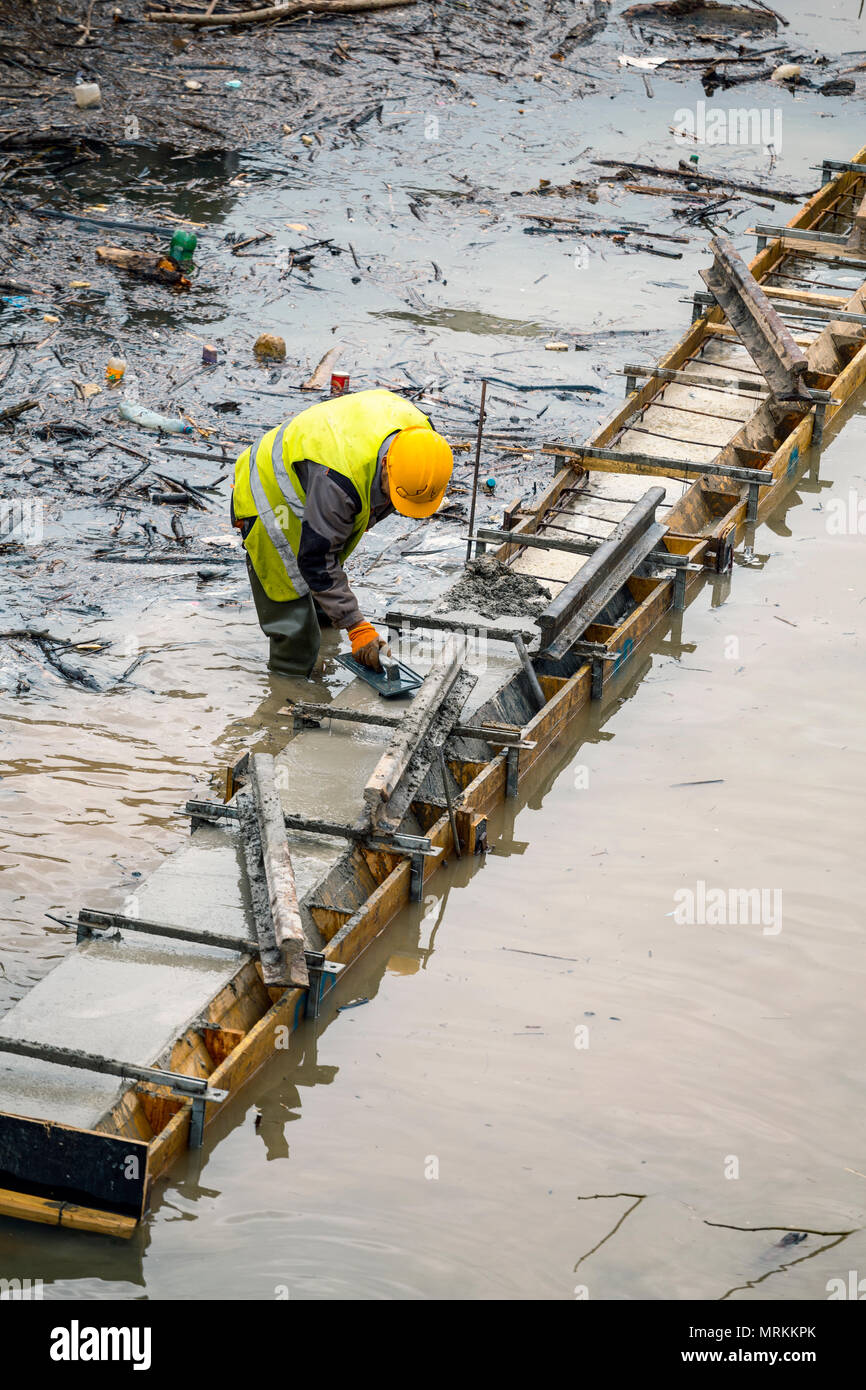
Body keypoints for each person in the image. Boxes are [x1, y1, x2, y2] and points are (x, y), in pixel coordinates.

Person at [232, 388, 453, 677]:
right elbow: (316, 559)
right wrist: (357, 626)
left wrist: (346, 620)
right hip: (268, 495)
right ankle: (291, 687)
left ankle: (326, 640)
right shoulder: (338, 481)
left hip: (314, 478)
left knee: (323, 587)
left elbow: (330, 544)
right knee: (292, 613)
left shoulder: (422, 442)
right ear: (387, 464)